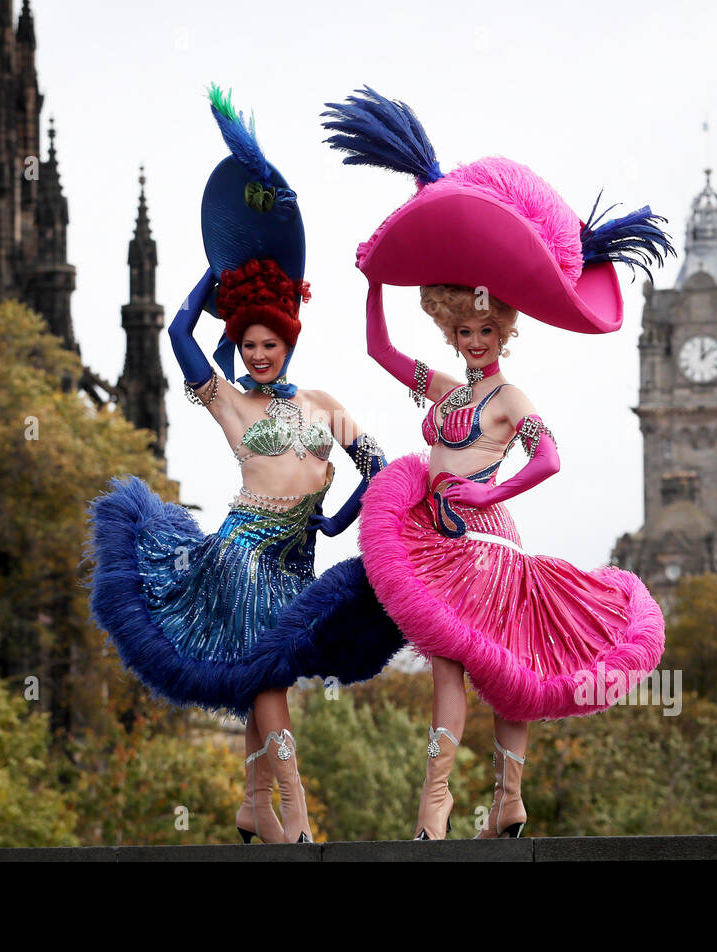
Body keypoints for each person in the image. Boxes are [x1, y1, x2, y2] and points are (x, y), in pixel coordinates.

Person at [322, 87, 674, 840]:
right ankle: (503, 804)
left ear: (503, 329)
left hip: (479, 535)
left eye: (487, 327)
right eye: (464, 328)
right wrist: (375, 282)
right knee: (488, 664)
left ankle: (439, 807)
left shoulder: (509, 395)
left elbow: (548, 459)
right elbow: (380, 352)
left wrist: (486, 491)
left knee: (476, 662)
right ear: (452, 328)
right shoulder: (448, 387)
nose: (475, 338)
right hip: (448, 532)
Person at [85, 86, 400, 844]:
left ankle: (255, 806)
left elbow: (379, 466)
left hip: (296, 561)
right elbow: (179, 337)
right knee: (269, 684)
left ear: (288, 343)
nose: (258, 355)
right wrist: (215, 274)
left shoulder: (322, 403)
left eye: (270, 344)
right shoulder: (229, 402)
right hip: (240, 556)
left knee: (270, 678)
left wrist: (338, 515)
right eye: (250, 343)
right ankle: (294, 813)